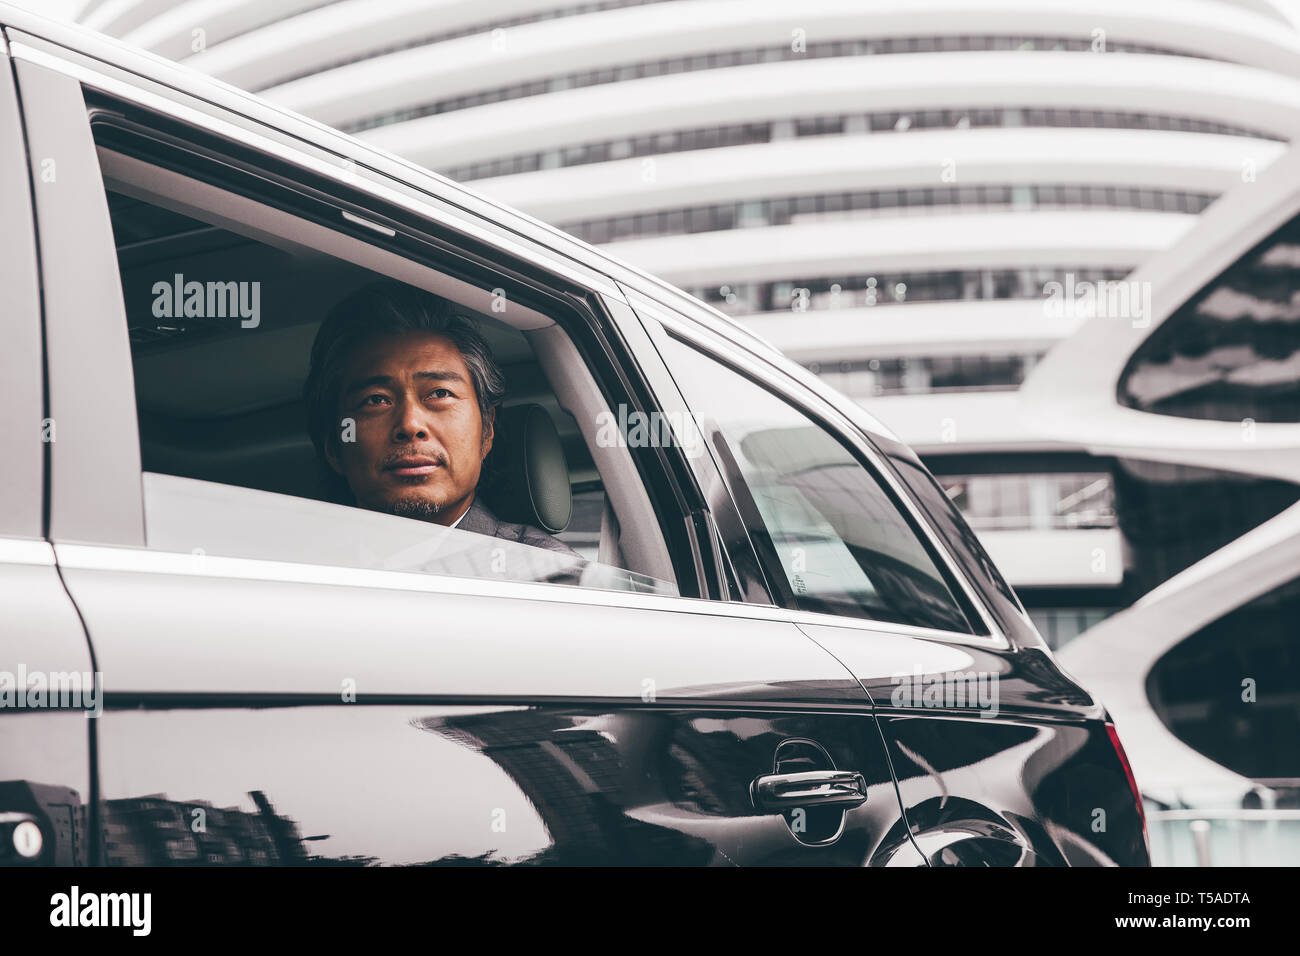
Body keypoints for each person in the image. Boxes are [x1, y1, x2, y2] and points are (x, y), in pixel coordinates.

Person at [303, 280, 579, 557]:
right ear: (333, 448)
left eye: (439, 393)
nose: (410, 425)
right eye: (376, 400)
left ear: (487, 432)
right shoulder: (294, 572)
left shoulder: (552, 577)